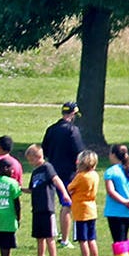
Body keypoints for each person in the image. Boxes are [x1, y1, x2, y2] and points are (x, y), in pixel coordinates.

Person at [42, 103, 85, 246]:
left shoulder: (51, 130)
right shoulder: (73, 130)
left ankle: (50, 234)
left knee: (50, 205)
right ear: (72, 114)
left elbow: (45, 151)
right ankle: (65, 239)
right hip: (68, 174)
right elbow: (79, 153)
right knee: (67, 205)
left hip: (52, 171)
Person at [24, 145, 69, 256]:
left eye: (30, 159)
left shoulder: (47, 168)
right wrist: (20, 189)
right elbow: (32, 189)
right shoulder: (35, 172)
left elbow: (56, 180)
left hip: (47, 208)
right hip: (37, 208)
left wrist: (64, 193)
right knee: (39, 237)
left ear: (37, 157)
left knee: (50, 237)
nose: (29, 163)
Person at [68, 150, 103, 256]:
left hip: (80, 211)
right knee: (92, 239)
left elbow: (70, 188)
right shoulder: (95, 175)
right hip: (91, 209)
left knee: (82, 240)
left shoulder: (81, 176)